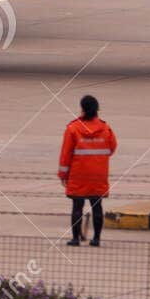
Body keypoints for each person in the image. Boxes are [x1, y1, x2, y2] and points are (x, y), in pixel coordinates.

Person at [59, 94, 116, 246]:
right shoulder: (105, 128)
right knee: (97, 205)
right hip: (98, 173)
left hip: (78, 173)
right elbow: (112, 147)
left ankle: (75, 238)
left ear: (82, 108)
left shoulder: (73, 128)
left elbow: (66, 154)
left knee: (77, 206)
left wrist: (63, 174)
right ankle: (96, 238)